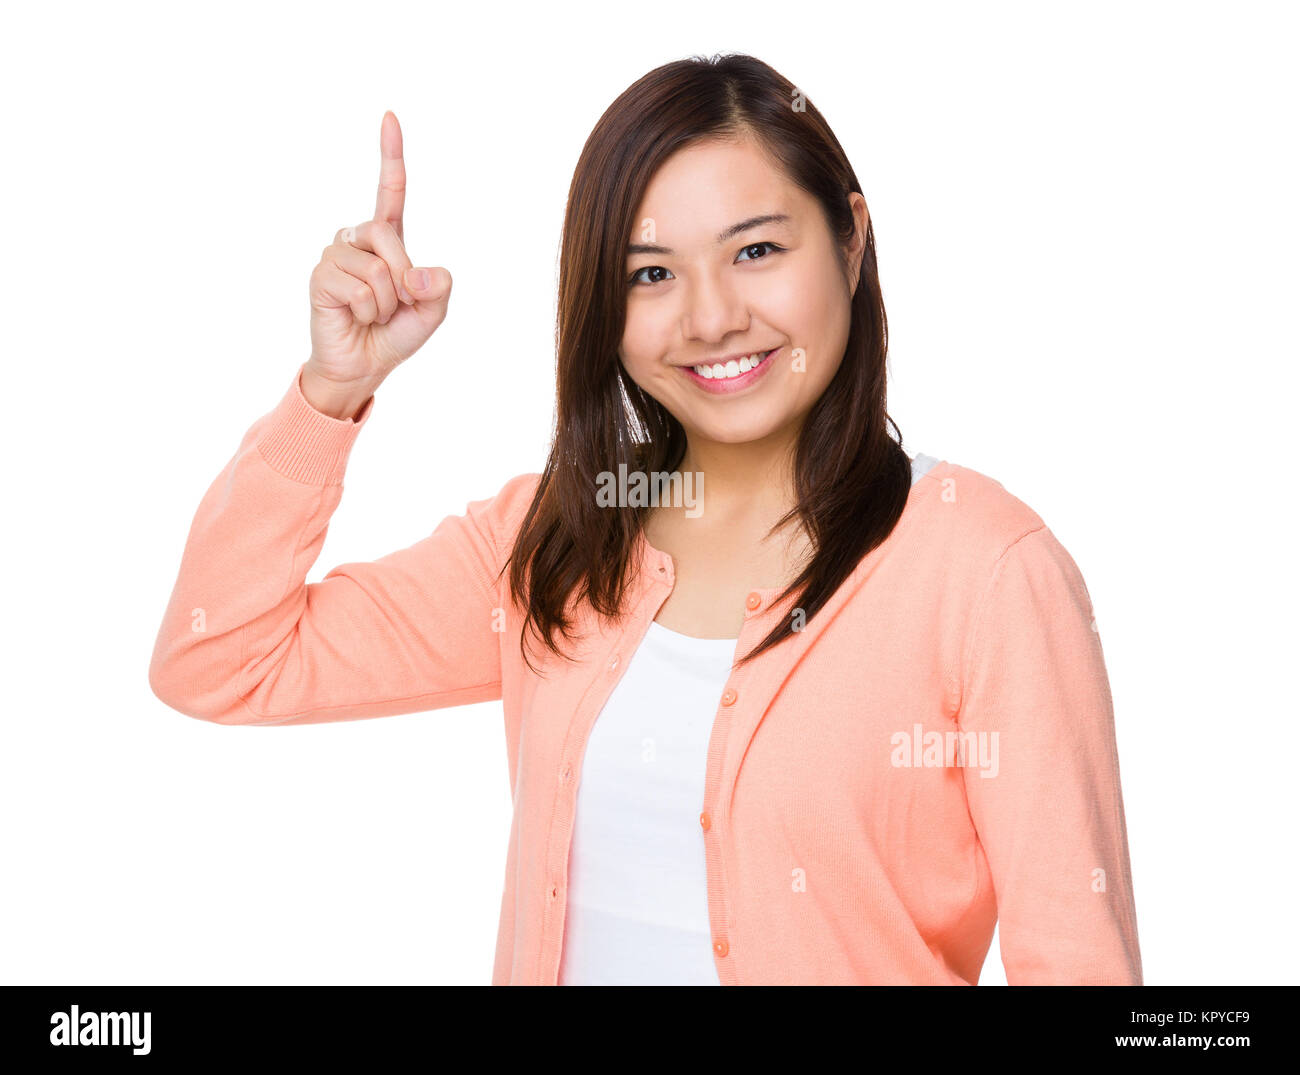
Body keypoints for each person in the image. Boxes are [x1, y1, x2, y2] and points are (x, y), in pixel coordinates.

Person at [149, 54, 1142, 986]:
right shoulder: (556, 538)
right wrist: (331, 392)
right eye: (651, 273)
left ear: (849, 237)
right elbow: (222, 658)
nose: (709, 318)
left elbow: (1078, 964)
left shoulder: (983, 571)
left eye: (755, 249)